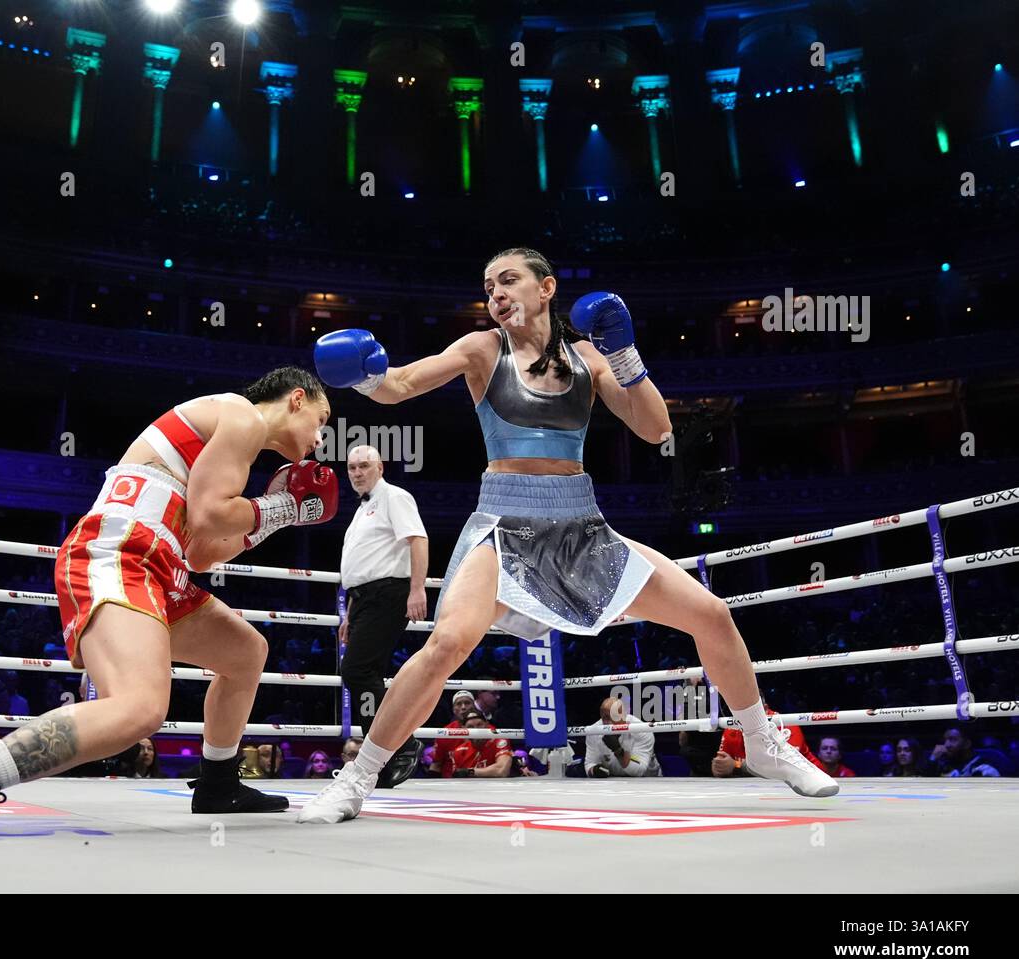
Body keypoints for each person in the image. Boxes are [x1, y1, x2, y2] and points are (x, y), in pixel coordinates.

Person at [300, 248, 837, 823]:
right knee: (448, 644)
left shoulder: (588, 358)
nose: (497, 293)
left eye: (509, 280)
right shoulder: (482, 348)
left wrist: (625, 352)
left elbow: (656, 428)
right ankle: (356, 779)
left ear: (546, 287)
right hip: (503, 521)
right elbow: (401, 385)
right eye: (489, 285)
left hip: (580, 522)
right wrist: (366, 372)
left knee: (712, 614)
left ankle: (761, 742)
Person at [0, 367, 338, 838]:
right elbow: (210, 514)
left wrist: (273, 519)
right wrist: (285, 508)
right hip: (119, 551)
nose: (321, 439)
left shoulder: (234, 440)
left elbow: (200, 551)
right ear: (296, 399)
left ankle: (219, 783)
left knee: (244, 652)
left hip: (162, 565)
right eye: (322, 420)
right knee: (139, 708)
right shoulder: (241, 415)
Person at [338, 444, 429, 787]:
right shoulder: (361, 511)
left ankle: (398, 746)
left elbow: (417, 540)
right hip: (363, 600)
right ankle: (384, 753)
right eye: (352, 468)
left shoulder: (393, 496)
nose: (358, 472)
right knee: (363, 672)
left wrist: (417, 589)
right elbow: (360, 565)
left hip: (388, 593)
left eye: (364, 466)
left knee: (357, 669)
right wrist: (348, 613)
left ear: (380, 468)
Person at [713, 703, 823, 778]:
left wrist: (736, 765)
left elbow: (785, 767)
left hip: (811, 778)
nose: (745, 718)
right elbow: (722, 766)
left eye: (751, 712)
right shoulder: (732, 727)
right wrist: (720, 767)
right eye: (740, 712)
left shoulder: (785, 725)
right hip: (754, 787)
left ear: (765, 709)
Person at [583, 697, 662, 777]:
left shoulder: (641, 730)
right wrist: (595, 770)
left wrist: (618, 750)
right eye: (605, 718)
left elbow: (639, 771)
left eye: (614, 717)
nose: (608, 723)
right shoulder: (594, 731)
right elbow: (590, 763)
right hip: (614, 781)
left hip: (648, 780)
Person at [442, 711, 513, 777]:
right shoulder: (459, 752)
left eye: (479, 725)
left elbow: (502, 770)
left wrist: (470, 772)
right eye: (470, 727)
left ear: (487, 724)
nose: (476, 730)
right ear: (464, 729)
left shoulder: (499, 741)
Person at [924, 726, 1004, 777]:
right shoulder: (943, 762)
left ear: (967, 744)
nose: (946, 745)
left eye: (953, 739)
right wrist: (933, 758)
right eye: (945, 740)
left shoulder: (982, 766)